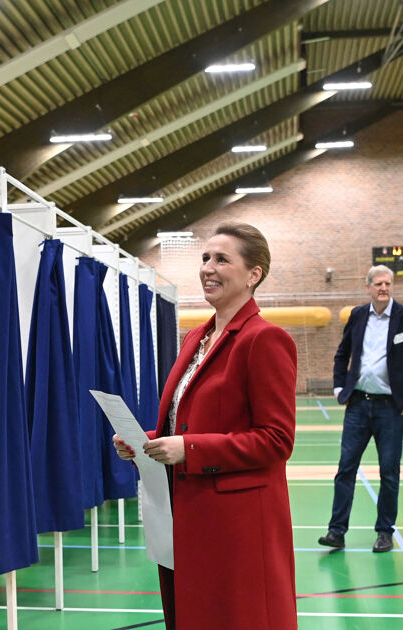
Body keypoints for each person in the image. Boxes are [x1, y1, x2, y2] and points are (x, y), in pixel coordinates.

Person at [113, 222, 298, 630]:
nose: (208, 268)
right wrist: (144, 442)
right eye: (205, 258)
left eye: (222, 259)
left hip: (237, 525)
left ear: (254, 275)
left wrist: (189, 450)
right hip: (185, 512)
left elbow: (276, 440)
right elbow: (187, 420)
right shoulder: (195, 338)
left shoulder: (264, 340)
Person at [318, 265, 403, 553]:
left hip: (391, 409)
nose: (383, 288)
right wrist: (339, 386)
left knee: (389, 472)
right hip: (358, 405)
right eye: (378, 284)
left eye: (387, 283)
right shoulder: (358, 316)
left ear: (392, 286)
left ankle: (384, 532)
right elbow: (342, 353)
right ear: (368, 287)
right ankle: (336, 532)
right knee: (346, 469)